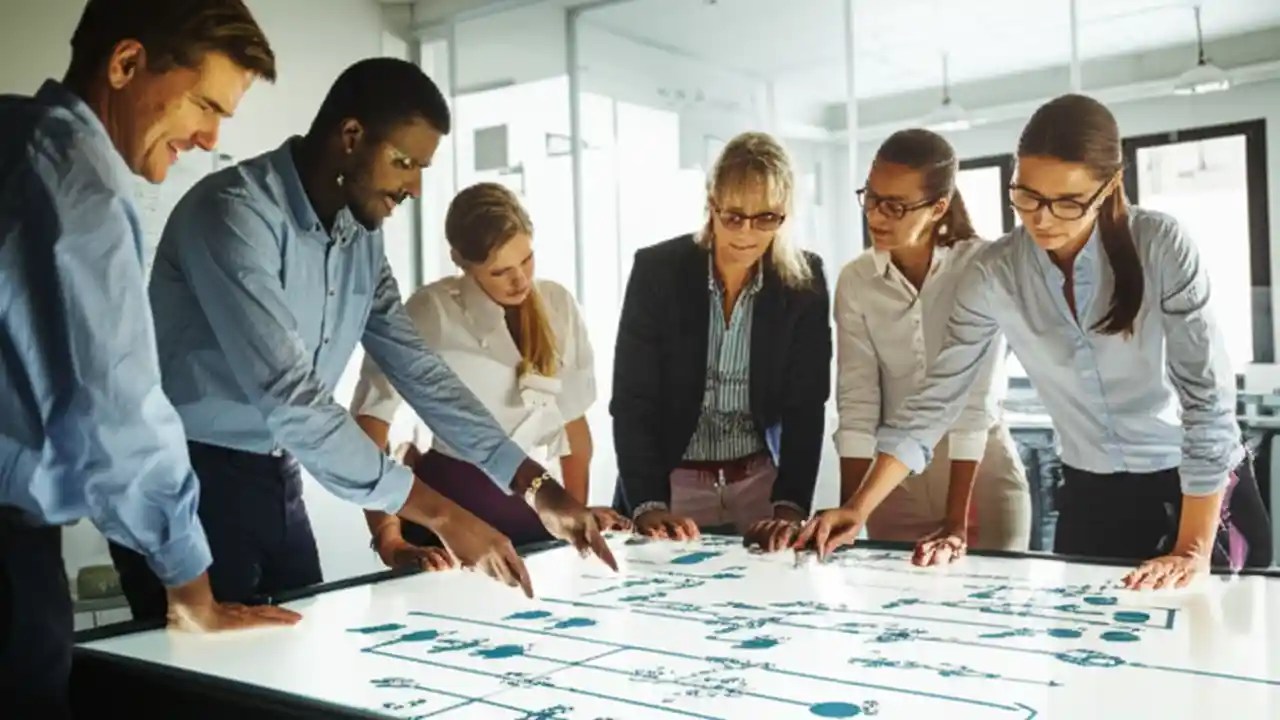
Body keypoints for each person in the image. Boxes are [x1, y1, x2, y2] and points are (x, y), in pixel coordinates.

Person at [107, 58, 616, 621]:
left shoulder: (360, 239)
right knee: (199, 692)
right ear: (351, 138)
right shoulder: (233, 214)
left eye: (423, 168)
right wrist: (446, 516)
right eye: (404, 162)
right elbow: (291, 398)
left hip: (279, 479)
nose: (416, 187)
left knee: (296, 671)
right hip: (188, 480)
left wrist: (537, 488)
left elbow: (420, 373)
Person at [796, 94, 1273, 590]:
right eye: (1026, 196)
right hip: (1093, 499)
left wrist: (1191, 548)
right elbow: (935, 403)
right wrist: (857, 507)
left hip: (1204, 497)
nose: (1041, 219)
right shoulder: (994, 271)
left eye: (1067, 202)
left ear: (1109, 186)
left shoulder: (1160, 245)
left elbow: (1207, 401)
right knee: (1085, 661)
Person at [0, 1, 302, 717]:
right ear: (126, 63)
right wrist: (192, 592)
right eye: (204, 104)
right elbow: (118, 410)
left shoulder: (10, 130)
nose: (209, 137)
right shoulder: (77, 178)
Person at [351, 182, 631, 570]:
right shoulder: (431, 311)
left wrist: (576, 515)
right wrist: (388, 536)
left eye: (527, 261)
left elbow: (575, 432)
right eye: (500, 271)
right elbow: (370, 419)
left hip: (534, 503)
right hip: (449, 511)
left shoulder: (557, 303)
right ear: (461, 260)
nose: (520, 281)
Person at [610, 131, 831, 551]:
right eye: (733, 216)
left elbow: (806, 407)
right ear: (711, 205)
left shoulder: (804, 282)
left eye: (766, 218)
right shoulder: (657, 272)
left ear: (785, 214)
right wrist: (647, 503)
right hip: (672, 485)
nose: (747, 233)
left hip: (760, 485)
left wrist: (790, 507)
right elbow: (632, 399)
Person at [834, 128, 1031, 566]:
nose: (877, 216)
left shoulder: (983, 265)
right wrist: (851, 510)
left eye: (896, 206)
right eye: (872, 198)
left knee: (992, 619)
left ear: (938, 207)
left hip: (979, 474)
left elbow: (974, 398)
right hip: (892, 481)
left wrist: (957, 521)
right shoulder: (856, 281)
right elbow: (858, 400)